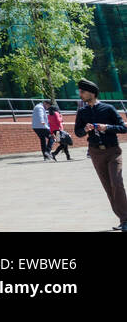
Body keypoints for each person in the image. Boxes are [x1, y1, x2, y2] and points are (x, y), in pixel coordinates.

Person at [73, 78, 127, 231]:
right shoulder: (82, 112)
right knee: (108, 186)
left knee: (116, 182)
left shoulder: (108, 108)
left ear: (92, 93)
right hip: (96, 152)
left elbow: (123, 128)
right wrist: (86, 130)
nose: (80, 94)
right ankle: (122, 219)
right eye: (80, 92)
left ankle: (126, 219)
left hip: (112, 151)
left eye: (82, 92)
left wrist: (107, 127)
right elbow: (77, 133)